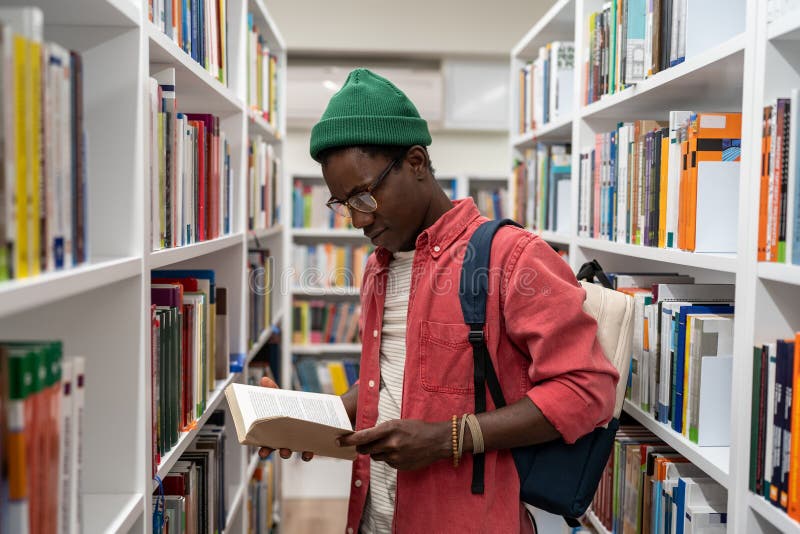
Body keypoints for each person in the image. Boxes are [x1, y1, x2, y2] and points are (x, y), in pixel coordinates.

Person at [259, 68, 619, 533]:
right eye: (343, 205)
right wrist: (308, 417)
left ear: (415, 162)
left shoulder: (513, 258)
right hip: (374, 515)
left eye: (363, 197)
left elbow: (587, 390)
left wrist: (451, 438)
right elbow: (388, 387)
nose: (354, 221)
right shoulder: (378, 267)